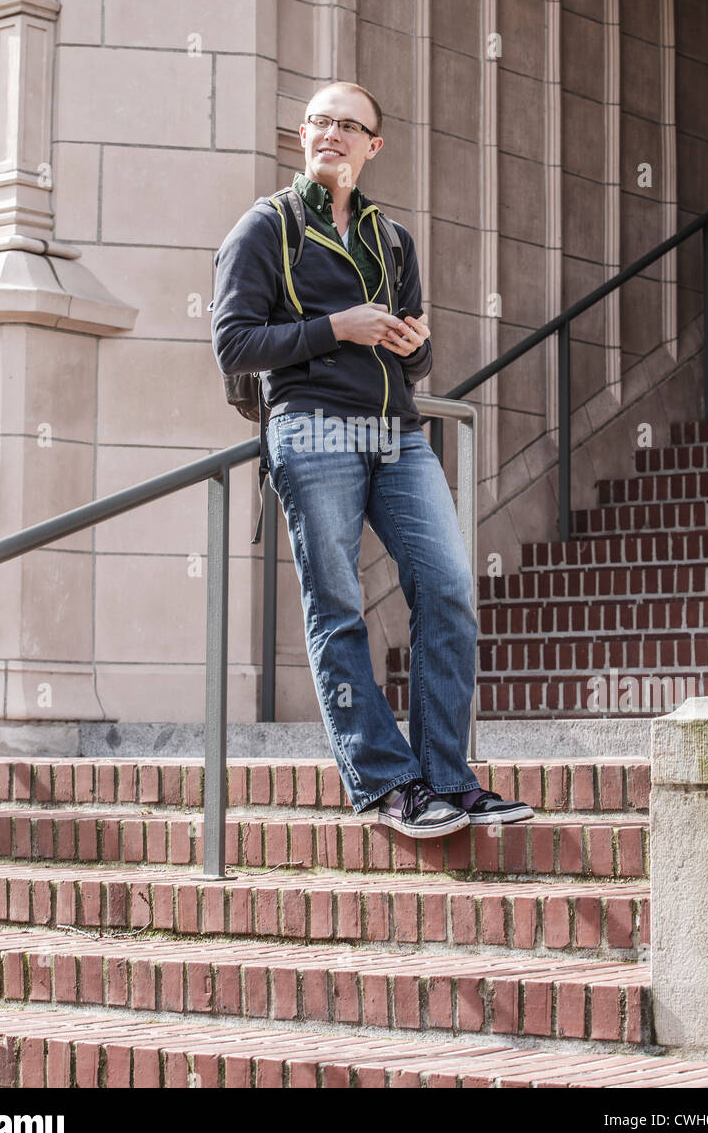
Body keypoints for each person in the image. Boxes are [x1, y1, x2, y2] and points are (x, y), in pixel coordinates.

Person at [211, 80, 533, 837]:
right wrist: (337, 328)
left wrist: (416, 347)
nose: (334, 134)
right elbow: (232, 344)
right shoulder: (264, 228)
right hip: (312, 429)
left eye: (350, 126)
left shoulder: (392, 239)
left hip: (396, 434)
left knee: (449, 588)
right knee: (339, 608)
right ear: (302, 134)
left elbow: (414, 363)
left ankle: (448, 781)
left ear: (372, 147)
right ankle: (388, 785)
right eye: (322, 121)